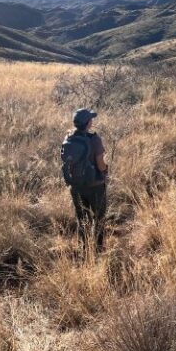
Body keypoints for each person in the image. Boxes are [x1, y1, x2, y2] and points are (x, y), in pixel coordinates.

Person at [67, 108, 108, 252]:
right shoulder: (94, 139)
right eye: (91, 119)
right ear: (88, 123)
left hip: (76, 186)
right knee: (99, 218)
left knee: (82, 218)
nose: (92, 121)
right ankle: (98, 249)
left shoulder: (69, 138)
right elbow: (100, 163)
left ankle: (84, 248)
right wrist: (105, 172)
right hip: (95, 185)